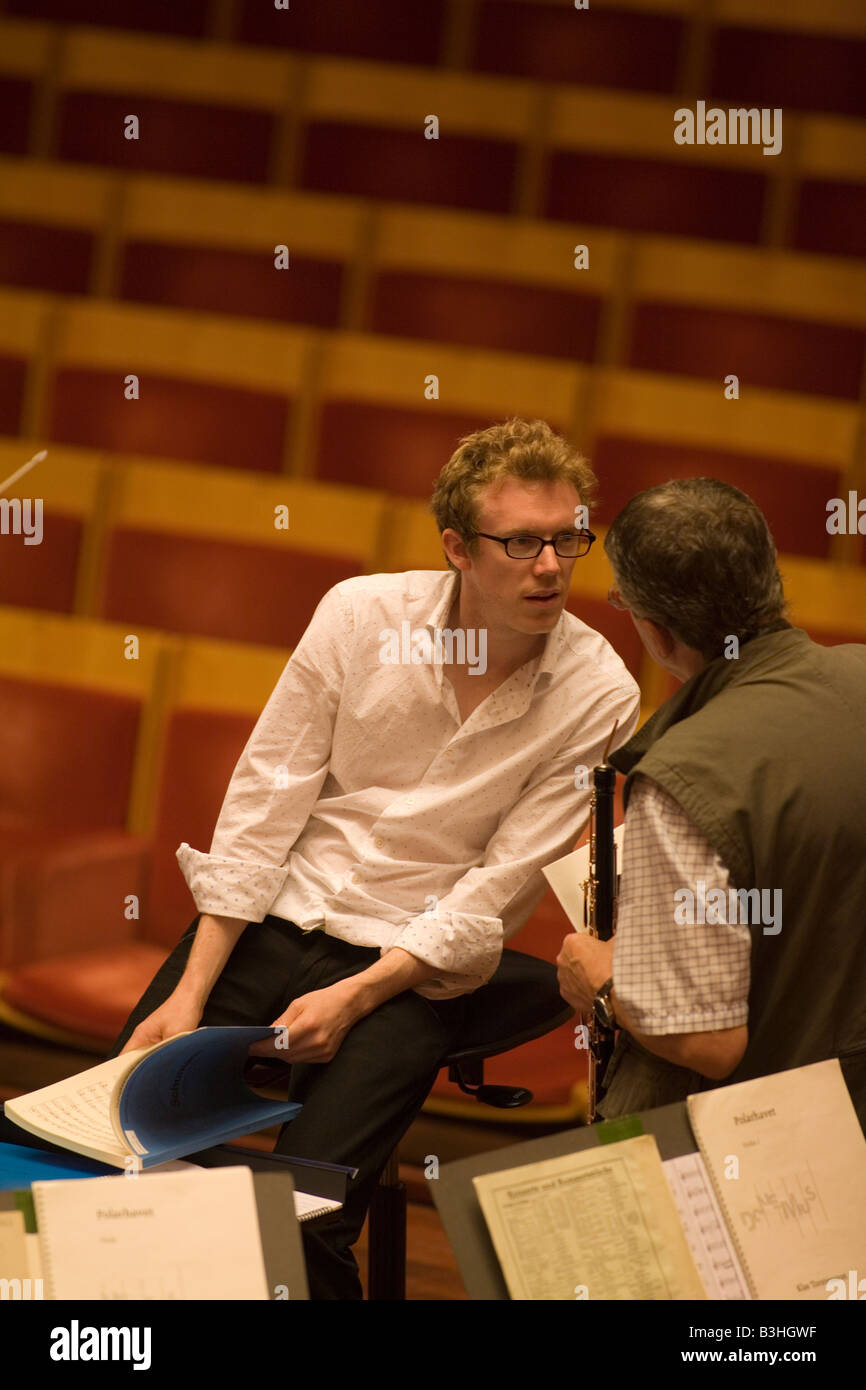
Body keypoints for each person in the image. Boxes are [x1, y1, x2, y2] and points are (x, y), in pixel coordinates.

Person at [109, 418, 640, 1298]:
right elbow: (263, 806)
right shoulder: (359, 615)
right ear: (456, 549)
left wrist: (356, 996)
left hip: (411, 966)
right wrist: (190, 996)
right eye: (520, 542)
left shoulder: (599, 691)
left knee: (303, 1218)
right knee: (117, 1150)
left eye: (568, 538)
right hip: (276, 920)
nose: (551, 567)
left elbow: (494, 892)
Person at [556, 477, 866, 1130]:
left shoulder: (682, 780)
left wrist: (602, 983)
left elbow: (708, 1043)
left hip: (753, 1153)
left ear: (659, 631)